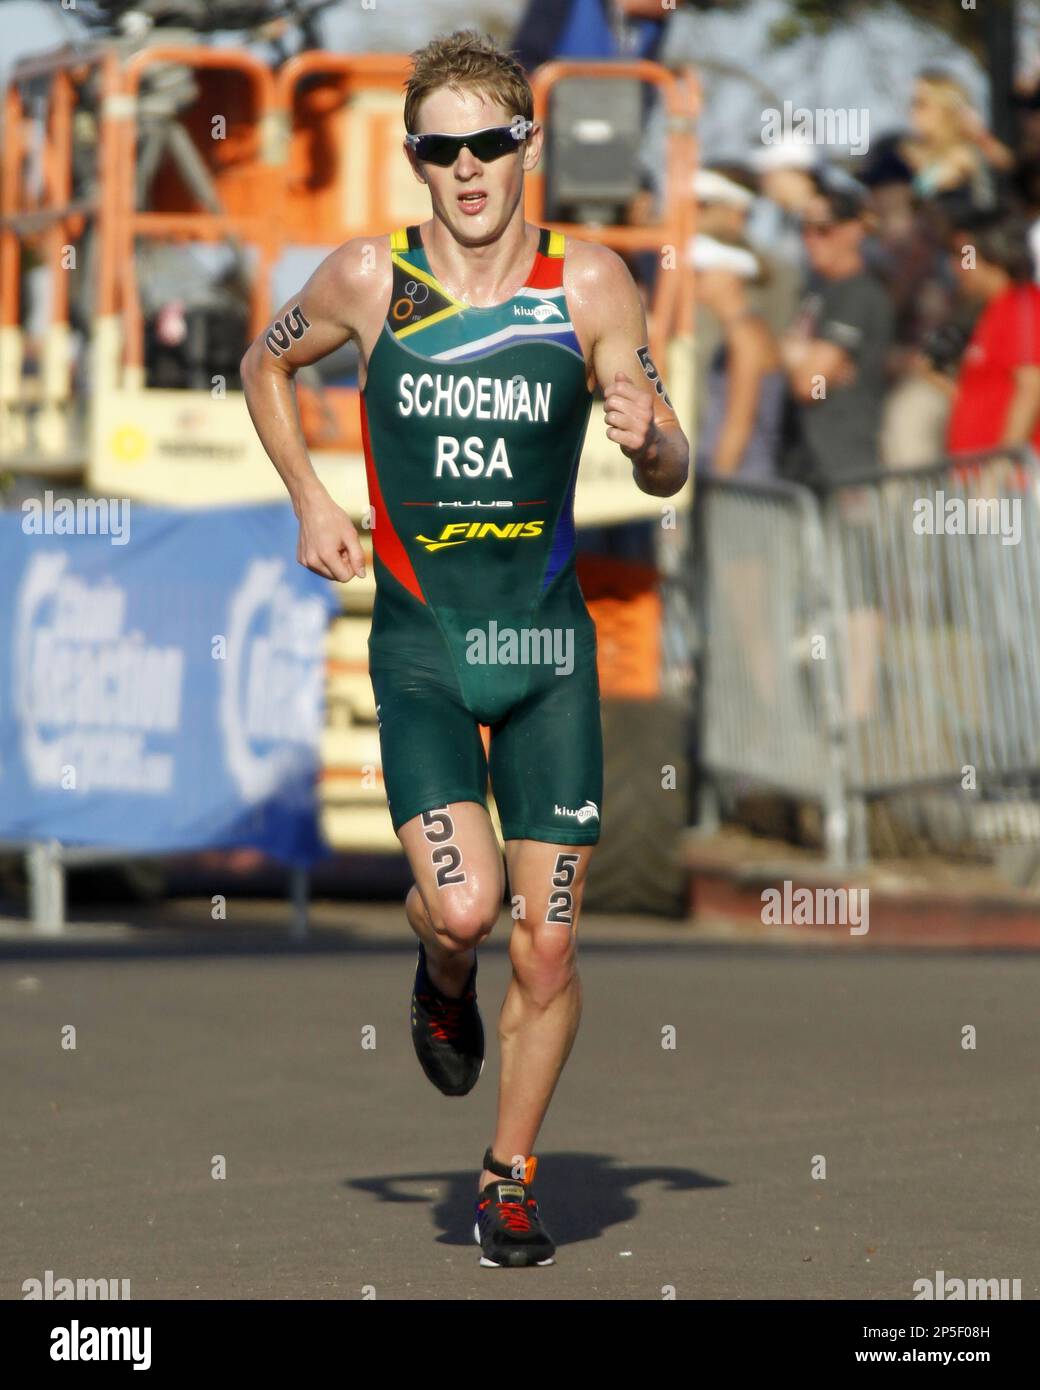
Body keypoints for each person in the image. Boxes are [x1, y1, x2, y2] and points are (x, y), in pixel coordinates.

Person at [240, 29, 689, 1269]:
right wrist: (312, 501)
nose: (468, 169)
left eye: (489, 142)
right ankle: (439, 978)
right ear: (415, 161)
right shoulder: (364, 280)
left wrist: (648, 435)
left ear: (527, 145)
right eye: (440, 150)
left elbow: (669, 463)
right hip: (427, 650)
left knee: (547, 939)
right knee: (466, 909)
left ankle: (506, 1176)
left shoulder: (589, 284)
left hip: (545, 650)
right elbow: (260, 364)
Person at [946, 212, 1040, 461]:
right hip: (978, 482)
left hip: (1009, 487)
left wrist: (1000, 468)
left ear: (994, 254)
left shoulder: (1023, 305)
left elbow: (1030, 387)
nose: (957, 267)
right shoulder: (993, 311)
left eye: (965, 256)